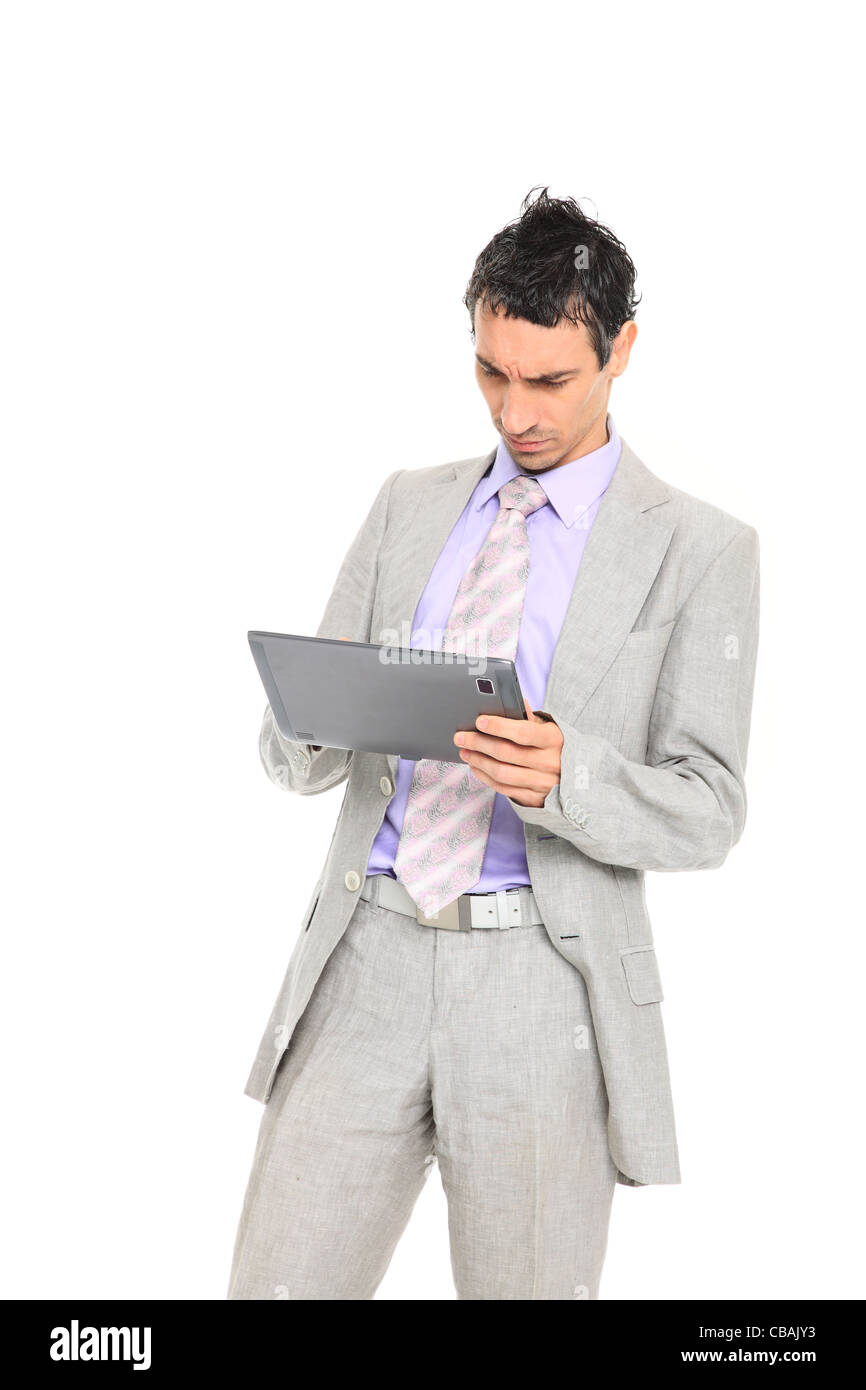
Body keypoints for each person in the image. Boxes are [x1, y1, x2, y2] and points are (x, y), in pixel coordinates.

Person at [227, 186, 761, 1300]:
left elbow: (708, 806)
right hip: (363, 957)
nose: (513, 411)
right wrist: (304, 726)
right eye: (490, 372)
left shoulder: (701, 551)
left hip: (539, 983)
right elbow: (298, 750)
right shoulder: (406, 504)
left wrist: (575, 775)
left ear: (619, 351)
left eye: (548, 380)